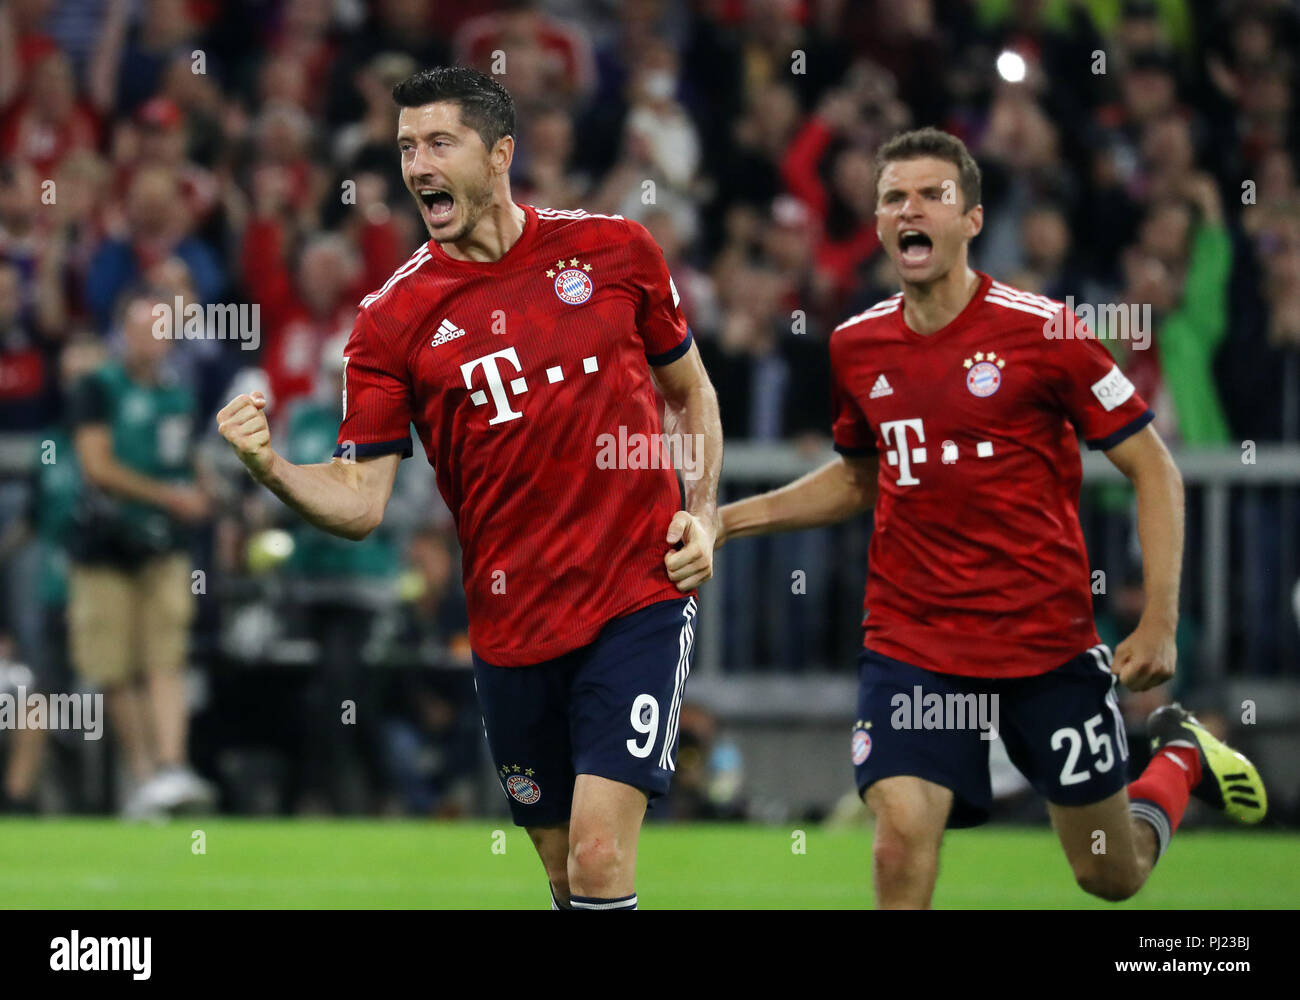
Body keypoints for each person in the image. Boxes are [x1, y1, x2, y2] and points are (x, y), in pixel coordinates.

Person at [715, 127, 1266, 909]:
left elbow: (1153, 466)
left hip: (1045, 645)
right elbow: (858, 479)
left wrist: (1161, 618)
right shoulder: (855, 347)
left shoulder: (1046, 331)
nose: (911, 209)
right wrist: (725, 521)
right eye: (893, 197)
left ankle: (1178, 759)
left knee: (1110, 874)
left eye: (932, 195)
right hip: (915, 643)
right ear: (878, 223)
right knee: (901, 832)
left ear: (971, 220)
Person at [217, 66, 723, 910]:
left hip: (637, 594)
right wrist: (272, 468)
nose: (418, 165)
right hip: (511, 624)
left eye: (439, 142)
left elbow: (691, 393)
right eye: (407, 145)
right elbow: (361, 500)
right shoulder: (390, 321)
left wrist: (702, 517)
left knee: (601, 856)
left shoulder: (614, 253)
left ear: (499, 156)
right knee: (564, 873)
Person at [69, 293, 215, 818]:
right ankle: (143, 774)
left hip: (163, 546)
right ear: (121, 333)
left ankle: (172, 768)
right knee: (115, 667)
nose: (151, 338)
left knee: (165, 657)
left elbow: (188, 455)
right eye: (140, 327)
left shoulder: (179, 392)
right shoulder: (96, 387)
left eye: (159, 328)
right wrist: (168, 497)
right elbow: (97, 467)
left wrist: (203, 491)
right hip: (104, 546)